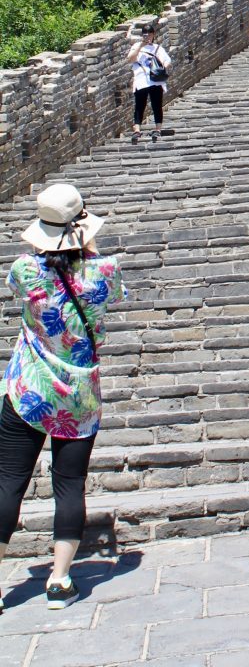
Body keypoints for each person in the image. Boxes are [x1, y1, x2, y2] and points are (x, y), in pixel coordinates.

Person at [0, 184, 126, 613]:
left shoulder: (24, 270)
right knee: (69, 484)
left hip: (29, 389)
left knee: (7, 482)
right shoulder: (104, 270)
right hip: (78, 398)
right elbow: (108, 295)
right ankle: (60, 579)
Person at [127, 23, 172, 145]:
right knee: (139, 106)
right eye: (145, 34)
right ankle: (137, 130)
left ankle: (158, 128)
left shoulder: (157, 48)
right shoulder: (137, 46)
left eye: (149, 34)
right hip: (141, 81)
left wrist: (161, 65)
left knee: (157, 105)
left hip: (155, 81)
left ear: (153, 35)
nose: (147, 36)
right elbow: (130, 59)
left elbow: (167, 61)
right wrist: (141, 45)